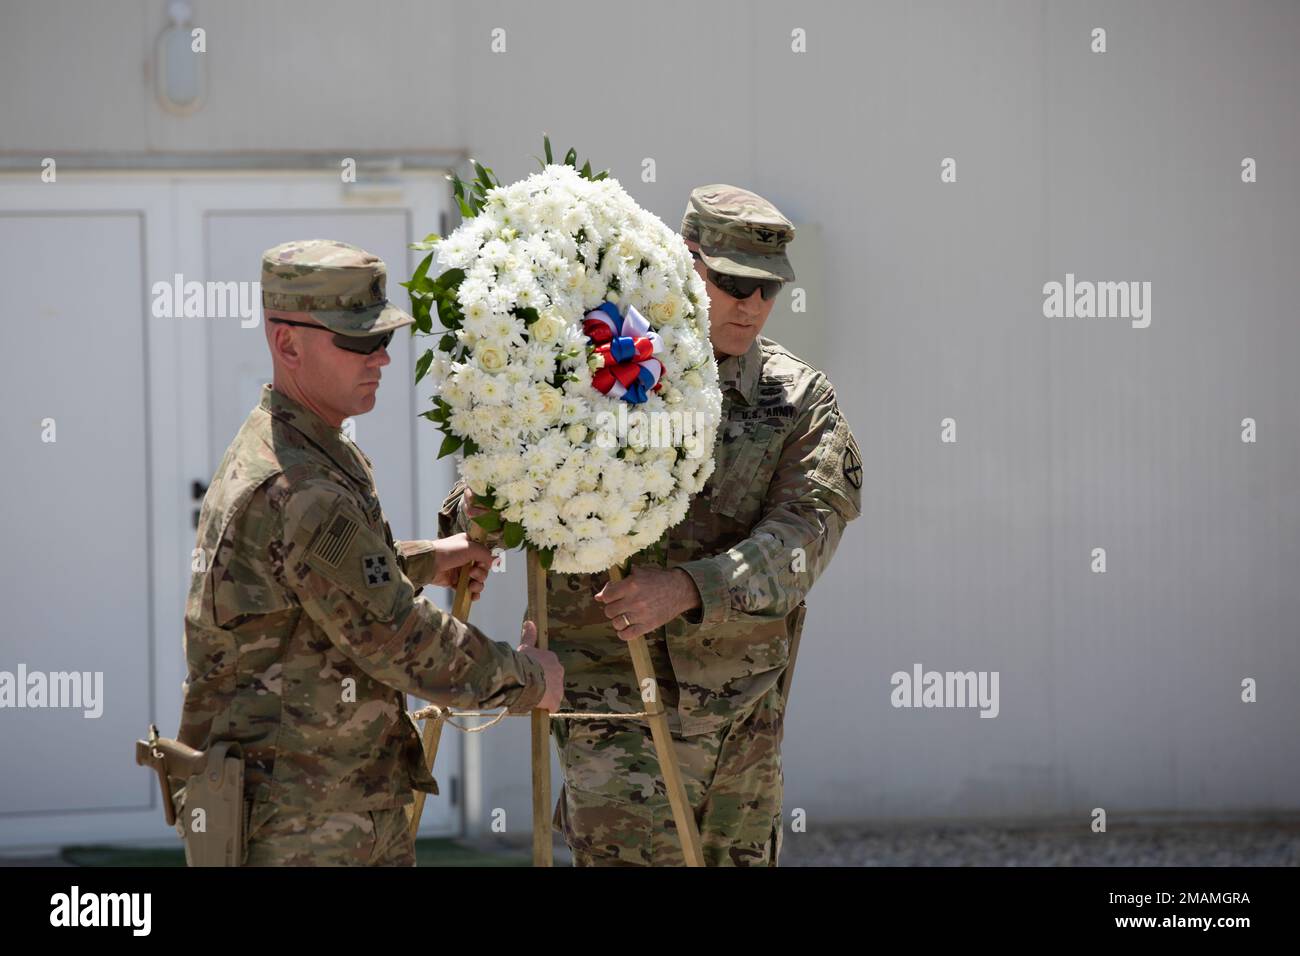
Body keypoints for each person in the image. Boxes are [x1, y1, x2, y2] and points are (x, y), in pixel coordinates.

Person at [439, 187, 861, 865]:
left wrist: (692, 587)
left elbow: (806, 538)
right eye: (732, 283)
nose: (750, 305)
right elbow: (494, 490)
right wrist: (490, 520)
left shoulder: (797, 400)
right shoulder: (593, 364)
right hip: (608, 702)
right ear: (684, 265)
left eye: (767, 290)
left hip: (734, 717)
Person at [178, 239, 563, 866]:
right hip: (304, 826)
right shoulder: (299, 484)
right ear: (288, 343)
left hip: (331, 807)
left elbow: (326, 581)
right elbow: (398, 636)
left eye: (382, 338)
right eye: (358, 341)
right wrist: (528, 680)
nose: (381, 357)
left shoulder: (306, 449)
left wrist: (426, 559)